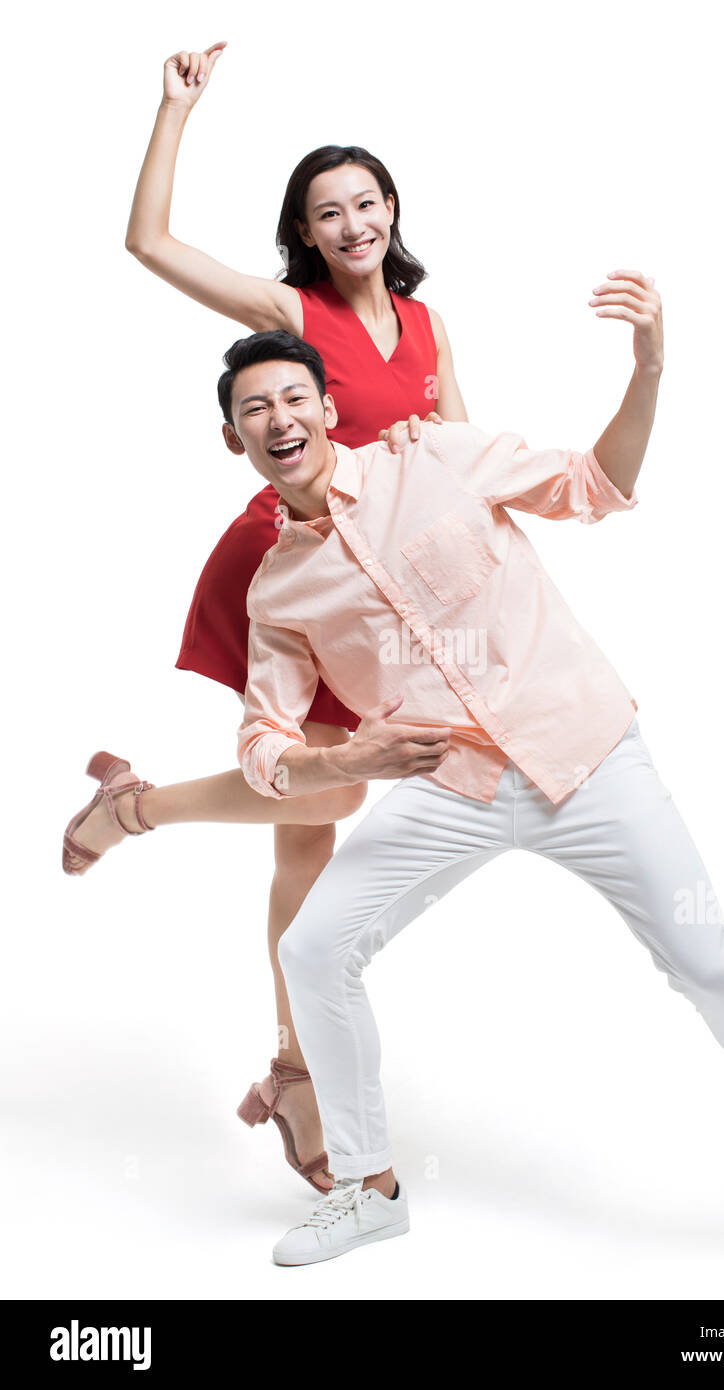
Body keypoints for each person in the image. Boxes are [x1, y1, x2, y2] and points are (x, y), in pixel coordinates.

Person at [209, 326, 724, 1265]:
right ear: (234, 439)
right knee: (314, 946)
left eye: (293, 397)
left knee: (706, 961)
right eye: (254, 409)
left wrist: (647, 372)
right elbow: (264, 743)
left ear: (329, 410)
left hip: (585, 752)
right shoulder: (280, 589)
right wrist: (348, 762)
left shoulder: (439, 455)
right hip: (448, 783)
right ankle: (367, 1185)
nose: (277, 419)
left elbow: (594, 486)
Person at [63, 40, 467, 1196]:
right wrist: (173, 111)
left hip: (375, 577)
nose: (349, 224)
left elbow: (455, 453)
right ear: (302, 230)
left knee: (310, 825)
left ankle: (292, 1064)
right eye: (324, 211)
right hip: (288, 560)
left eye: (364, 203)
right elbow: (147, 244)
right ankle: (135, 813)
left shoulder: (430, 324)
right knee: (328, 784)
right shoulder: (287, 307)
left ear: (391, 210)